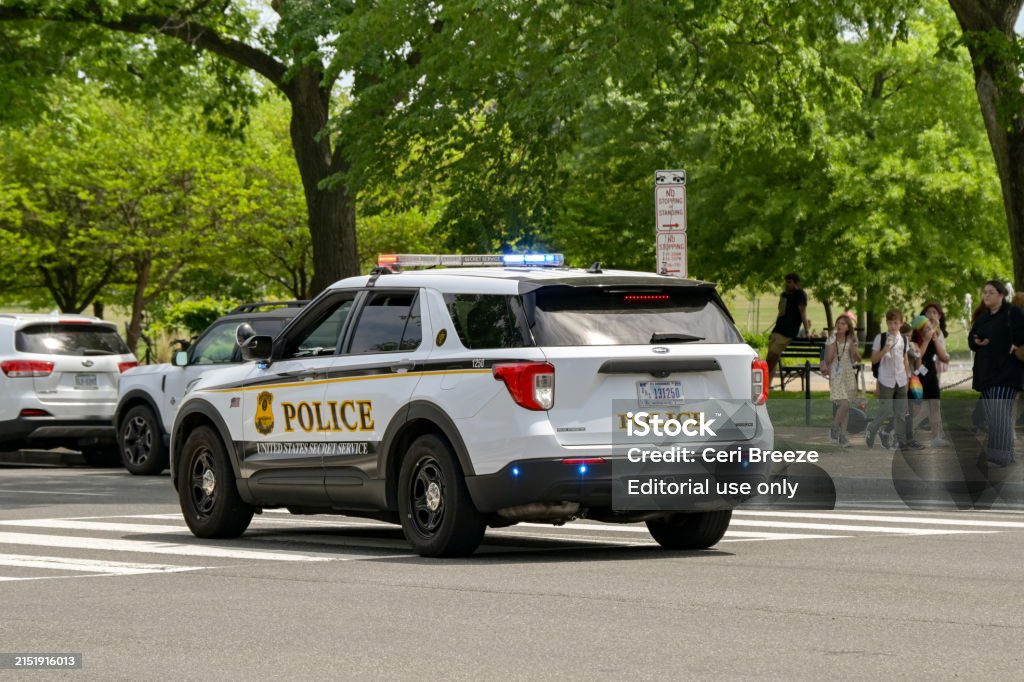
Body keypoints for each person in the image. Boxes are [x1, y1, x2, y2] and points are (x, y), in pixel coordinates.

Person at [968, 280, 1024, 467]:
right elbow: (971, 338)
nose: (986, 295)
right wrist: (977, 342)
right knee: (994, 416)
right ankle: (1006, 455)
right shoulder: (983, 318)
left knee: (1000, 413)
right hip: (986, 374)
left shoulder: (1012, 312)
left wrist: (1017, 343)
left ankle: (999, 457)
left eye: (991, 292)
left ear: (1001, 294)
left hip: (1007, 371)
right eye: (985, 292)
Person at [866, 309, 925, 450]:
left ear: (901, 323)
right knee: (885, 410)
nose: (892, 326)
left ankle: (900, 441)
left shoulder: (904, 339)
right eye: (890, 323)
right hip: (886, 380)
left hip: (901, 380)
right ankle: (872, 430)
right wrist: (883, 351)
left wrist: (906, 377)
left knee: (901, 413)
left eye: (895, 323)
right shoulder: (880, 338)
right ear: (886, 323)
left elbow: (904, 360)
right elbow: (873, 360)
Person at [910, 315, 950, 447]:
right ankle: (906, 432)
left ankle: (936, 437)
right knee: (916, 408)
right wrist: (926, 340)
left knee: (935, 405)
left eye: (930, 327)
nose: (930, 330)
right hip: (918, 376)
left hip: (931, 373)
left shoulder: (932, 339)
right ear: (920, 330)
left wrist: (935, 339)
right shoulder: (914, 341)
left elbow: (944, 356)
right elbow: (917, 358)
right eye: (927, 328)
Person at [822, 314, 860, 447]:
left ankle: (843, 436)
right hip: (836, 373)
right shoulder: (831, 339)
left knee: (847, 406)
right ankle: (834, 428)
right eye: (838, 323)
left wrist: (854, 347)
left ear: (848, 327)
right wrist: (832, 344)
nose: (840, 325)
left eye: (843, 323)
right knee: (843, 404)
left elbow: (857, 358)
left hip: (848, 373)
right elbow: (828, 360)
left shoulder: (851, 340)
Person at [766, 273, 811, 382]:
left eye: (790, 282)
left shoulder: (800, 294)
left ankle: (764, 383)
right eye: (786, 282)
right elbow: (781, 312)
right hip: (778, 329)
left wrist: (806, 330)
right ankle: (767, 387)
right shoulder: (784, 295)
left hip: (787, 332)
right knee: (772, 359)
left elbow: (802, 312)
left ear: (796, 283)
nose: (787, 284)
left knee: (771, 358)